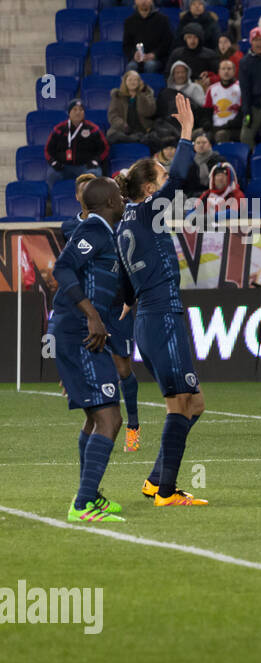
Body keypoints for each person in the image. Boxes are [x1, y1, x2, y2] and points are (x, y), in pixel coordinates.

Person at [113, 95, 207, 507]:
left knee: (195, 403)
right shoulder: (149, 210)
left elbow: (126, 282)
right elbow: (185, 178)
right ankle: (166, 492)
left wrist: (128, 304)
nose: (167, 179)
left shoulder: (123, 226)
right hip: (162, 319)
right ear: (150, 188)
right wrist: (187, 132)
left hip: (149, 322)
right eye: (161, 175)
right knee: (180, 405)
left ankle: (156, 480)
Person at [51, 177, 132, 522]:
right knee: (110, 418)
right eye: (120, 195)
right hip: (81, 332)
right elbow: (62, 267)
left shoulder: (107, 235)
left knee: (95, 417)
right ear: (111, 202)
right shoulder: (93, 232)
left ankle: (90, 496)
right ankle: (82, 505)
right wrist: (92, 317)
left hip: (85, 335)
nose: (124, 198)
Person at [62, 175, 143, 455]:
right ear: (79, 197)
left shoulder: (115, 225)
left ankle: (133, 426)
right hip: (90, 310)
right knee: (99, 399)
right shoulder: (72, 227)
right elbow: (70, 269)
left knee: (123, 369)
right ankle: (87, 488)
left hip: (114, 307)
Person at [45, 100, 108, 190]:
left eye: (81, 110)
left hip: (86, 166)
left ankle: (93, 202)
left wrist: (96, 161)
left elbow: (105, 148)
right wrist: (53, 162)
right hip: (63, 167)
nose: (78, 112)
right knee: (52, 174)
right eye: (74, 109)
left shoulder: (93, 129)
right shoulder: (59, 129)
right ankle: (53, 202)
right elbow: (48, 150)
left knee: (95, 174)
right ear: (69, 112)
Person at [108, 70, 159, 146]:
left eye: (135, 80)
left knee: (154, 138)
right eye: (130, 80)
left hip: (142, 129)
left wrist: (141, 94)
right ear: (125, 81)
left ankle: (136, 138)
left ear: (140, 82)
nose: (133, 82)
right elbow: (113, 116)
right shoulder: (118, 96)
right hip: (123, 129)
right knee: (111, 137)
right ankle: (133, 139)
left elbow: (148, 113)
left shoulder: (147, 94)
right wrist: (123, 125)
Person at [124, 0, 173, 75]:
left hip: (157, 59)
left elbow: (167, 43)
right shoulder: (129, 21)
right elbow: (126, 45)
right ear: (135, 1)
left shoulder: (163, 20)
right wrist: (133, 54)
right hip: (137, 60)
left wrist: (154, 54)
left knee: (150, 65)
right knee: (131, 66)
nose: (143, 1)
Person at [204, 60, 242, 143]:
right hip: (215, 126)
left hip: (232, 128)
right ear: (219, 71)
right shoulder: (212, 89)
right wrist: (208, 124)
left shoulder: (240, 88)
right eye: (223, 69)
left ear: (234, 71)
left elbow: (242, 113)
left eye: (229, 69)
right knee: (198, 134)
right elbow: (207, 111)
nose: (226, 71)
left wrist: (228, 125)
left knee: (221, 135)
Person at [182, 131, 225, 196]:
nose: (201, 145)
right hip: (194, 196)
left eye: (204, 142)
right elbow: (187, 186)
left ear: (210, 145)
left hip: (215, 194)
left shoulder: (218, 160)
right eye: (198, 143)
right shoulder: (189, 162)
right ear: (194, 147)